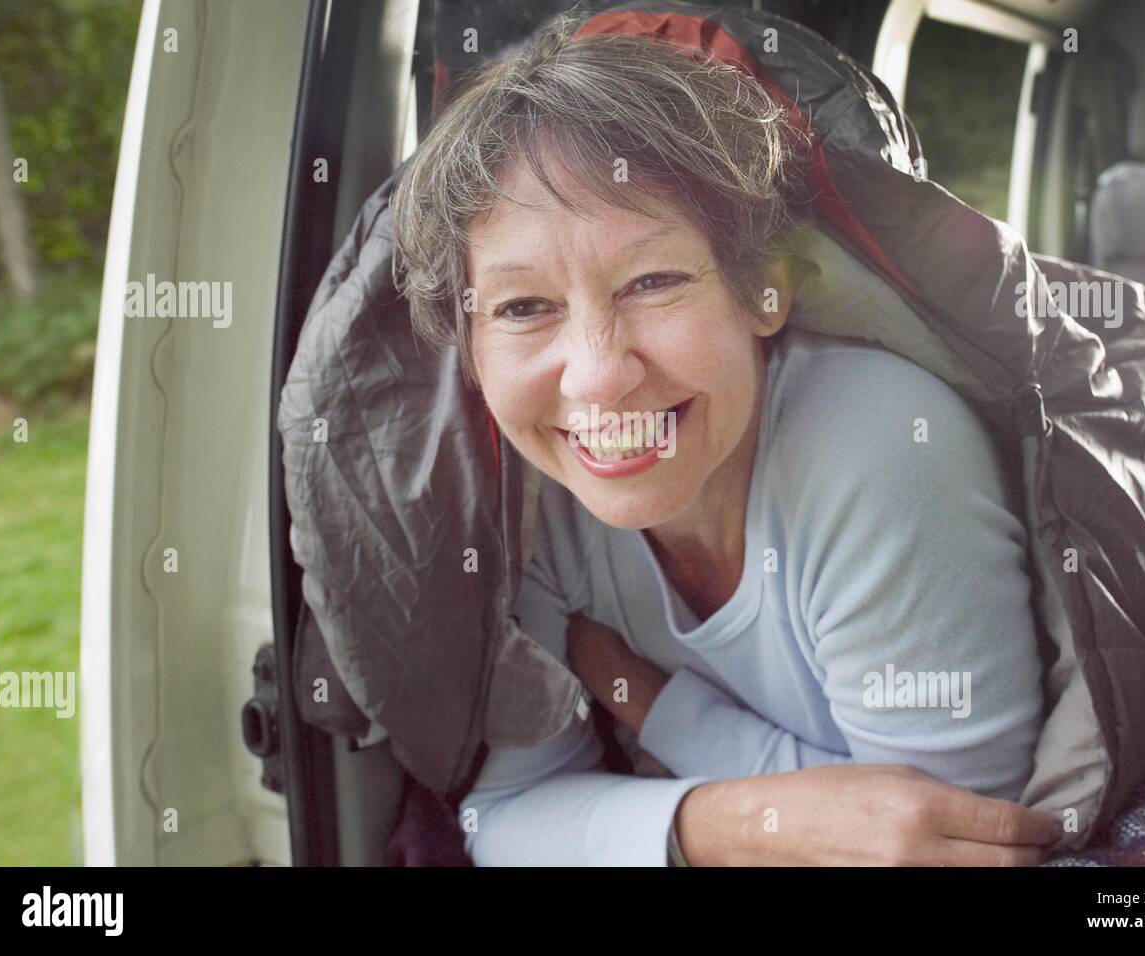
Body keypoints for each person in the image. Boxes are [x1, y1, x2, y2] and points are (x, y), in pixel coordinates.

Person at [391, 16, 1061, 866]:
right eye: (524, 308)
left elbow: (947, 845)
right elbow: (504, 822)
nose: (597, 378)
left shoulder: (884, 447)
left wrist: (663, 713)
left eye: (653, 281)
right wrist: (733, 825)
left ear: (764, 290)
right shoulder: (533, 506)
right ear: (473, 352)